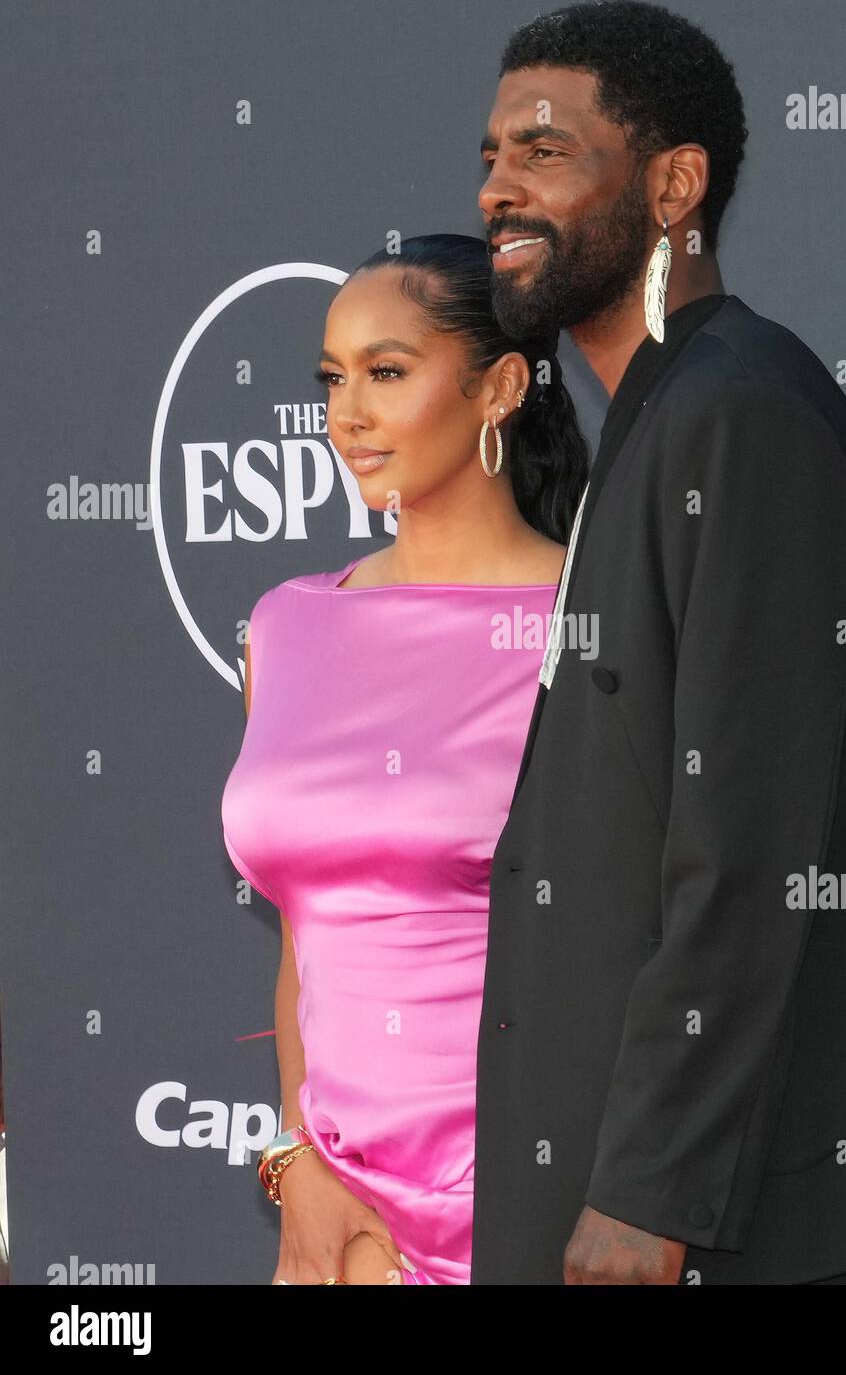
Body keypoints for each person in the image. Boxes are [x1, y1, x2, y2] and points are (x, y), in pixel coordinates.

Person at [470, 0, 846, 1286]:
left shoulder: (739, 419)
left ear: (673, 185)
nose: (497, 189)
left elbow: (748, 846)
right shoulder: (659, 420)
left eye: (542, 152)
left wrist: (646, 1192)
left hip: (703, 1233)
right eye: (489, 157)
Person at [221, 233, 589, 1283]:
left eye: (387, 371)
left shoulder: (593, 620)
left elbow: (711, 897)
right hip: (344, 1228)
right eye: (333, 379)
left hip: (541, 1208)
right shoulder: (287, 625)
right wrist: (299, 1161)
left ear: (500, 387)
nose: (348, 411)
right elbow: (306, 935)